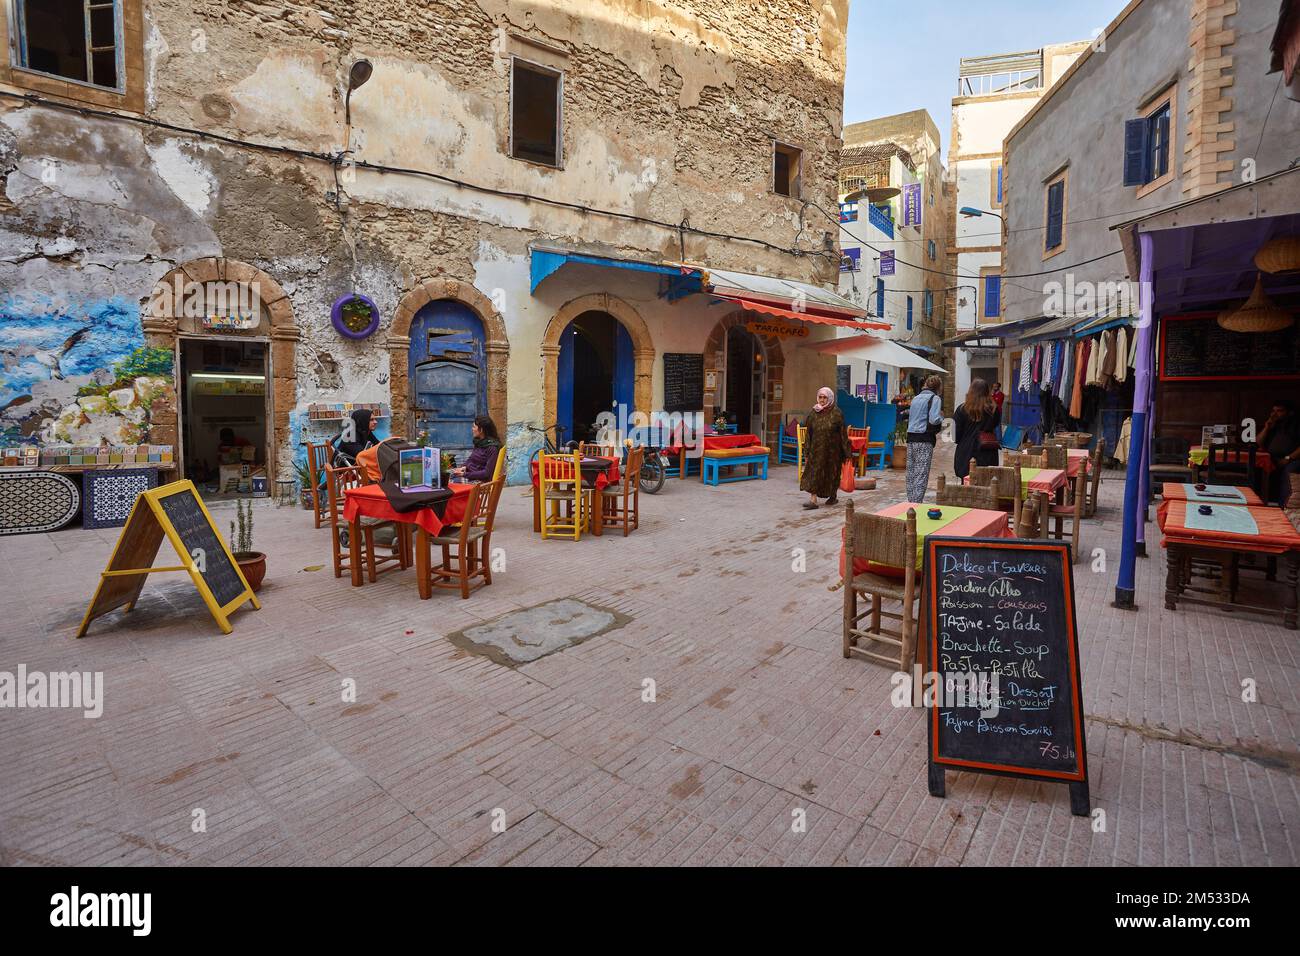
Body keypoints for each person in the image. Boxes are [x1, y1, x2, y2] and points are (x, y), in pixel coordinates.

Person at [799, 386, 852, 509]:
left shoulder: (837, 413)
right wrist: (806, 451)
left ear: (830, 398)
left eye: (825, 397)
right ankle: (813, 499)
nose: (822, 400)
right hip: (816, 450)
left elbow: (843, 434)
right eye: (820, 397)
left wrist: (847, 453)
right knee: (814, 472)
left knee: (832, 473)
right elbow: (808, 433)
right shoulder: (814, 413)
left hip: (833, 451)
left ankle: (833, 496)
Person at [952, 378, 1001, 481]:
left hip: (966, 452)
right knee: (987, 483)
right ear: (987, 392)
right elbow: (995, 425)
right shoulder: (993, 410)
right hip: (987, 451)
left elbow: (955, 435)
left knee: (966, 484)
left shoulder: (962, 409)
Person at [905, 375, 944, 503]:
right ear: (938, 387)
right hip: (924, 437)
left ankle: (910, 500)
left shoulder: (916, 398)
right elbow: (934, 419)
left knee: (911, 472)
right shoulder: (935, 398)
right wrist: (942, 418)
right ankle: (916, 504)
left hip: (911, 437)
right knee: (921, 472)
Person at [1259, 398, 1300, 507]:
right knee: (1258, 470)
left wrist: (1287, 459)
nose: (1275, 414)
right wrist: (1266, 428)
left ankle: (1283, 506)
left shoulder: (1296, 424)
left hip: (1293, 459)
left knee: (1289, 471)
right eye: (1273, 411)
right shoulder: (1274, 424)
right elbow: (1258, 442)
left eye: (1279, 411)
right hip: (1273, 458)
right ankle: (1262, 504)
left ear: (1290, 412)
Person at [450, 415, 503, 483]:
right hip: (470, 475)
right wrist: (463, 467)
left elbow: (487, 473)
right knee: (446, 475)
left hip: (479, 482)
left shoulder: (492, 448)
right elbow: (471, 459)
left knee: (450, 483)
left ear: (481, 430)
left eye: (474, 427)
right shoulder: (480, 442)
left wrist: (465, 474)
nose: (472, 429)